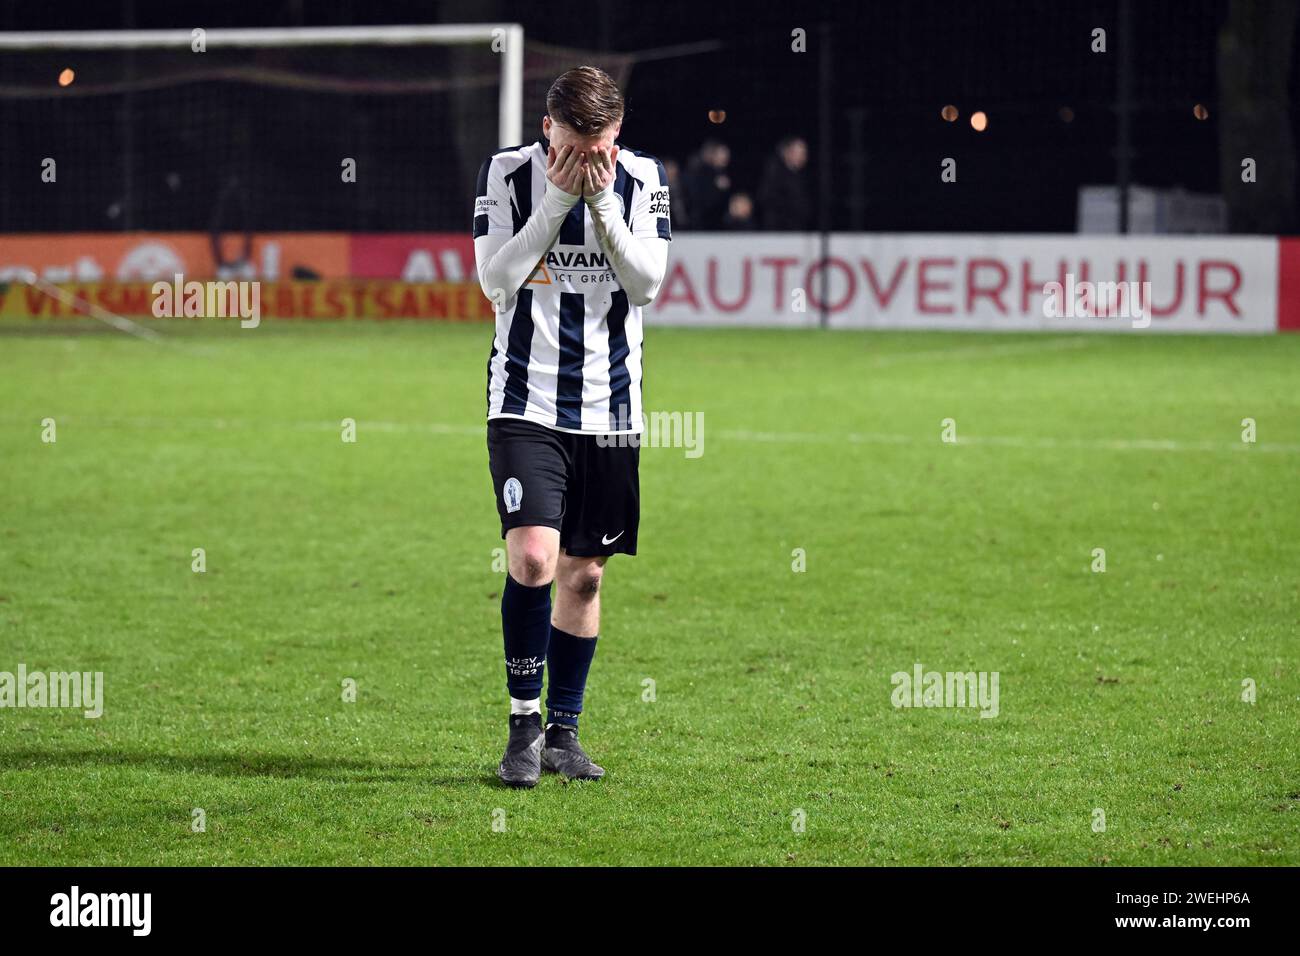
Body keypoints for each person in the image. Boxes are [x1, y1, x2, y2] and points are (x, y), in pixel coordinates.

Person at [472, 66, 672, 787]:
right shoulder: (507, 175)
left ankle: (564, 732)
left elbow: (647, 285)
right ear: (547, 127)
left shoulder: (644, 179)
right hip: (524, 402)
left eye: (604, 148)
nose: (592, 161)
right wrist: (558, 200)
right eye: (576, 145)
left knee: (584, 578)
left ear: (617, 136)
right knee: (532, 558)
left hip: (612, 411)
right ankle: (522, 725)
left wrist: (604, 210)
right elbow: (497, 283)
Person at [757, 136, 811, 231]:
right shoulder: (774, 174)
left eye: (804, 154)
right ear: (787, 153)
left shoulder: (802, 176)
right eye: (798, 153)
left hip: (797, 229)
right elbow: (766, 198)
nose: (802, 157)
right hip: (779, 230)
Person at [682, 139, 731, 229]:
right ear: (712, 155)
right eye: (721, 154)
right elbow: (700, 200)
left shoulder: (722, 173)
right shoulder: (702, 173)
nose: (725, 157)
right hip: (703, 224)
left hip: (718, 223)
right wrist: (717, 188)